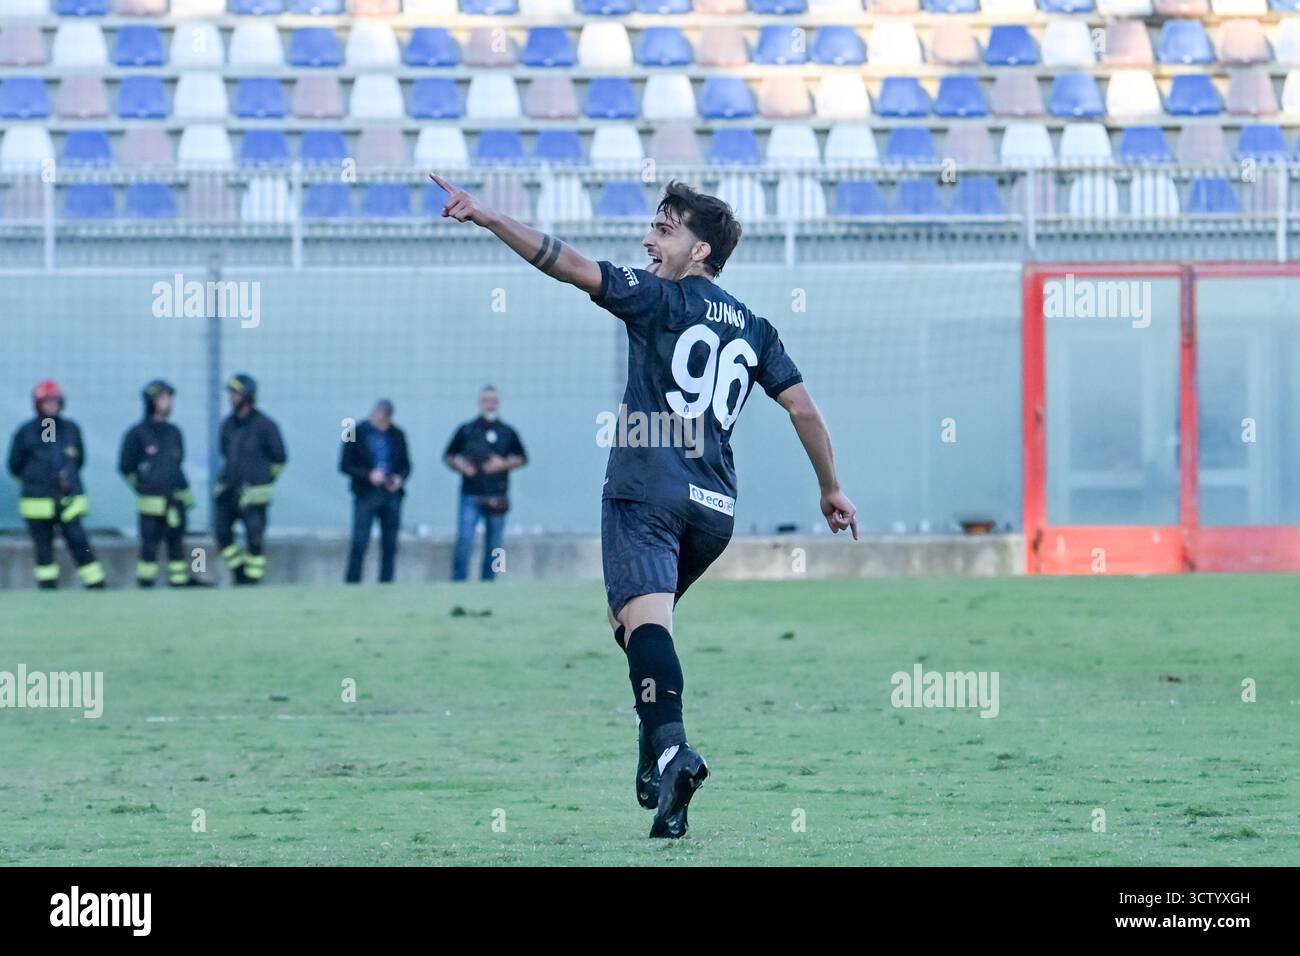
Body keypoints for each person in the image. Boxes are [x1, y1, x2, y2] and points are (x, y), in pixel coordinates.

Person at [431, 173, 858, 839]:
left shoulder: (657, 298)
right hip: (713, 510)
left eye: (664, 228)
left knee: (646, 628)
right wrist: (831, 488)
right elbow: (801, 405)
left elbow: (565, 263)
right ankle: (653, 745)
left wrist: (488, 217)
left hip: (645, 493)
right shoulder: (756, 326)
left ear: (702, 252)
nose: (648, 238)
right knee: (631, 626)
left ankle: (671, 752)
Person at [6, 380, 107, 589]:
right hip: (37, 503)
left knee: (80, 543)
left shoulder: (71, 429)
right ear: (38, 403)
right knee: (43, 549)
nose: (52, 405)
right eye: (47, 401)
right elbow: (14, 466)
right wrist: (38, 481)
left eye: (55, 401)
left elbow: (79, 460)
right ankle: (48, 589)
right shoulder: (26, 432)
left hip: (69, 501)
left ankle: (96, 585)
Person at [118, 380, 208, 588]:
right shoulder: (137, 434)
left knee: (177, 545)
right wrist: (144, 487)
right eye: (164, 398)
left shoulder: (174, 432)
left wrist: (184, 496)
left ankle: (179, 582)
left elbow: (176, 466)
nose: (169, 403)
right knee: (149, 547)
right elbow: (126, 467)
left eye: (170, 399)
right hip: (150, 505)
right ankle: (146, 583)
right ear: (151, 401)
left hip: (175, 503)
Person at [442, 385, 527, 582]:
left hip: (497, 496)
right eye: (485, 400)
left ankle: (488, 583)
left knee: (494, 546)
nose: (489, 403)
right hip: (471, 494)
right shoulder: (467, 430)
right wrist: (462, 467)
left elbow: (522, 458)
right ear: (480, 403)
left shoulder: (507, 432)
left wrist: (503, 464)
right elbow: (448, 456)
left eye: (493, 400)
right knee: (465, 541)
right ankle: (458, 582)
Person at [214, 374, 286, 586]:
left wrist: (262, 479)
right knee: (222, 533)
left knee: (255, 539)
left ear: (248, 395)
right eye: (231, 393)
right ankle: (239, 571)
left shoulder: (266, 425)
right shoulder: (228, 425)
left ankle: (253, 579)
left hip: (254, 496)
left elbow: (280, 459)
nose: (232, 398)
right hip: (229, 491)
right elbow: (225, 453)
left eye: (236, 393)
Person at [340, 399, 411, 584]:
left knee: (390, 544)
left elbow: (407, 465)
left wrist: (398, 478)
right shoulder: (352, 431)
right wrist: (368, 475)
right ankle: (352, 583)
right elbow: (344, 465)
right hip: (366, 495)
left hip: (391, 496)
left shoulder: (399, 435)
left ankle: (386, 584)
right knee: (359, 542)